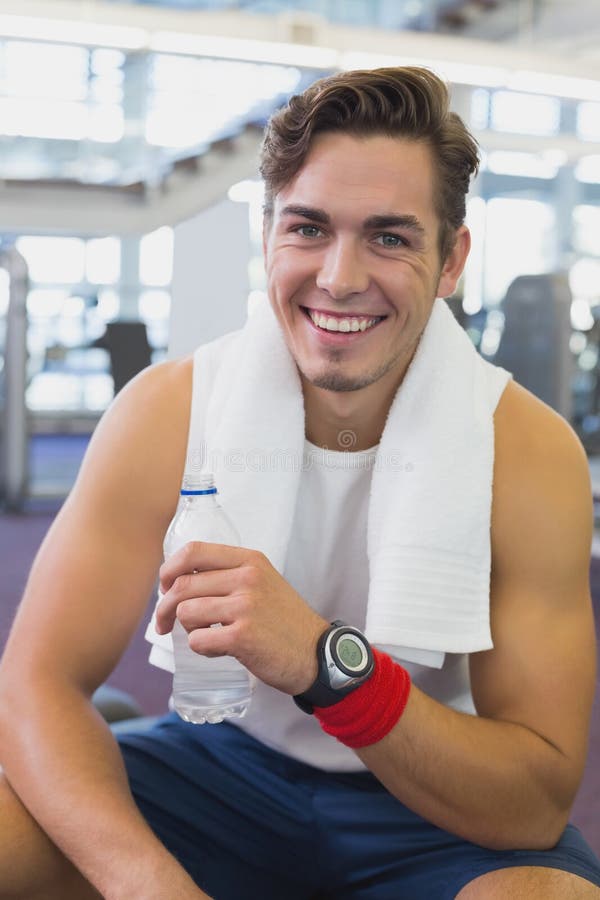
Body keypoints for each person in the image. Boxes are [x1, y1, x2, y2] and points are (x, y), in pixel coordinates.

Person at [0, 66, 599, 900]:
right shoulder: (167, 411)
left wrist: (325, 664)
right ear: (268, 236)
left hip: (432, 792)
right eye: (309, 228)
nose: (340, 277)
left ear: (452, 259)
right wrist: (147, 886)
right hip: (223, 767)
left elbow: (533, 803)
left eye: (390, 238)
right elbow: (36, 684)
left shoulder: (530, 452)